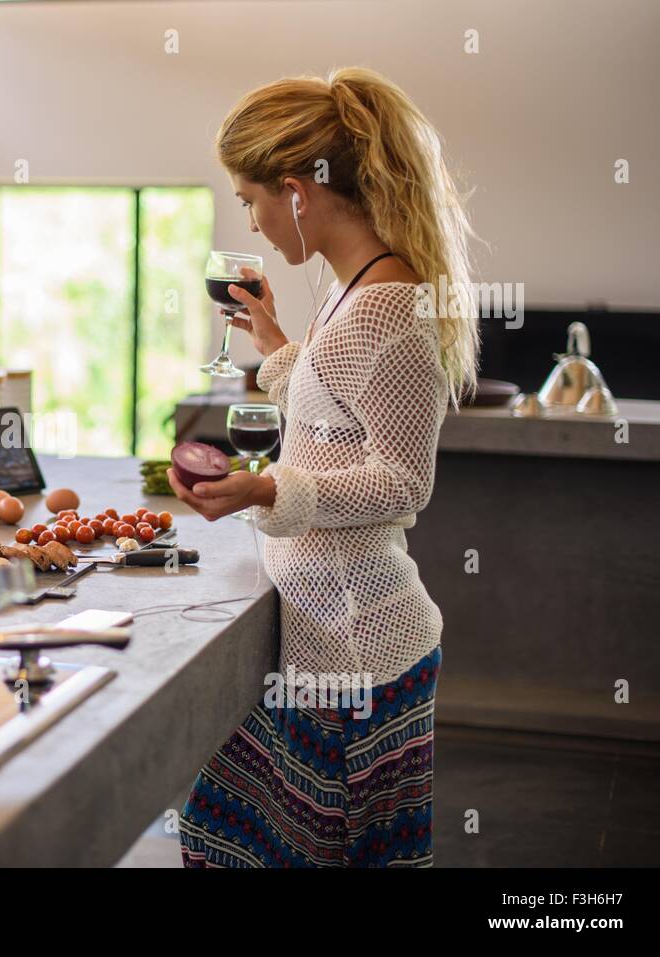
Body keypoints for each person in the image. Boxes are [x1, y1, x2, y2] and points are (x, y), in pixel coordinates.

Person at [170, 67, 479, 867]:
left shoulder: (387, 303)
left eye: (250, 200)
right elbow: (331, 409)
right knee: (226, 833)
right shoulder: (357, 287)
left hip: (357, 652)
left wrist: (269, 486)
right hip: (322, 635)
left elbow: (403, 480)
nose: (252, 221)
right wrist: (274, 341)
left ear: (296, 191)